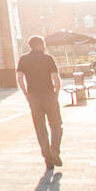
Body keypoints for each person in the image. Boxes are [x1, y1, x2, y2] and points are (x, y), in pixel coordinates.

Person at [16, 35, 62, 172]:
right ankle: (55, 151)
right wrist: (56, 94)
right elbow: (56, 78)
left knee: (40, 128)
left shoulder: (23, 59)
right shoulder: (48, 59)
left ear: (30, 45)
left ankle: (48, 158)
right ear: (41, 44)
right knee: (56, 126)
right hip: (49, 96)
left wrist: (26, 94)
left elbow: (19, 79)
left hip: (34, 98)